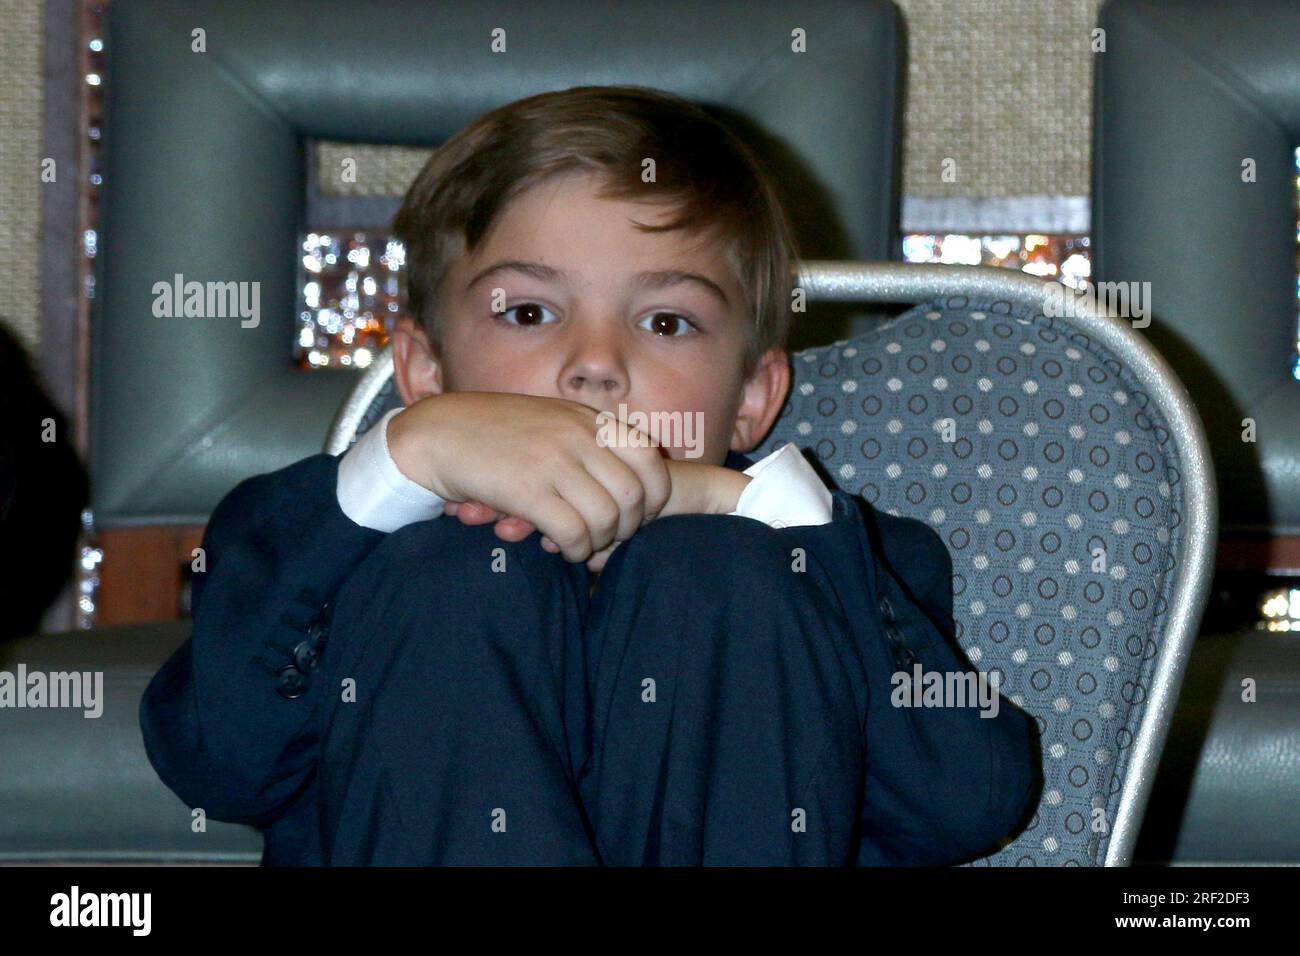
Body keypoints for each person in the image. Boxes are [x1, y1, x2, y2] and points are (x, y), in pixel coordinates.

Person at [140, 85, 1040, 866]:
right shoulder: (324, 541)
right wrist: (404, 458)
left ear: (753, 399)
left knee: (715, 574)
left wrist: (750, 507)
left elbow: (969, 799)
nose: (595, 364)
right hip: (419, 594)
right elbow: (219, 762)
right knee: (449, 574)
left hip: (746, 586)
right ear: (423, 371)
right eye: (529, 311)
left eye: (667, 322)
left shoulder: (848, 560)